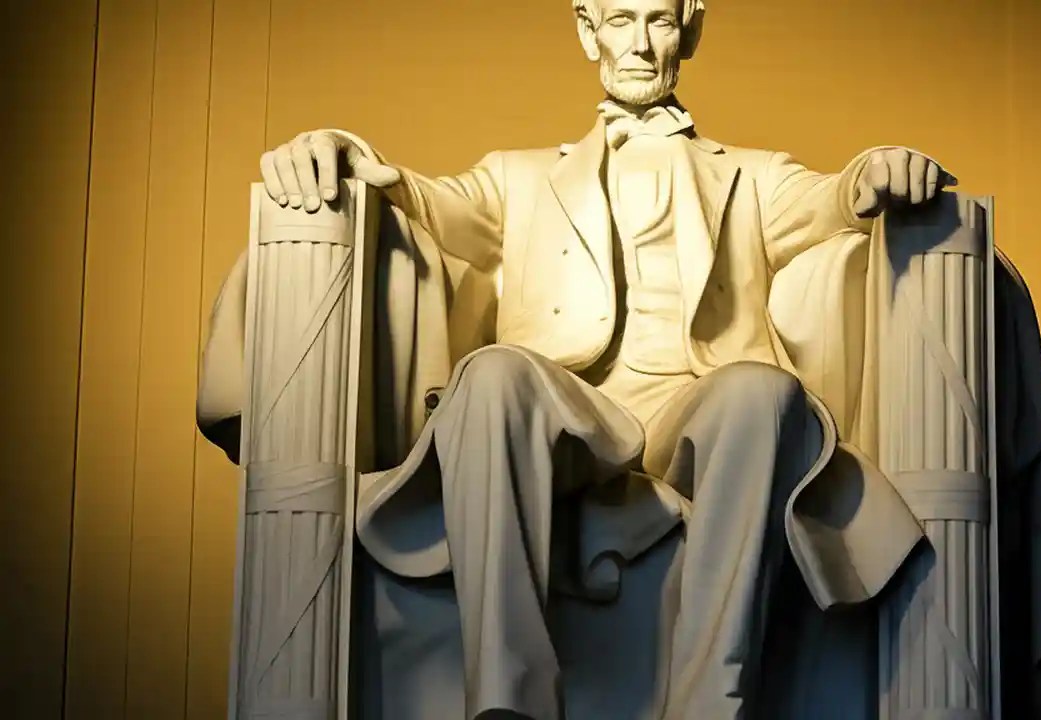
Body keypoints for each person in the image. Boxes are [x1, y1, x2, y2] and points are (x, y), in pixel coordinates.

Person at [253, 1, 953, 717]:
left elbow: (832, 198)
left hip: (698, 406)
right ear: (589, 32)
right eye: (621, 20)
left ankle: (712, 703)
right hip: (570, 410)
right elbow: (417, 195)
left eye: (659, 21)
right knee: (491, 374)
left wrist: (877, 167)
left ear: (690, 31)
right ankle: (509, 702)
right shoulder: (518, 177)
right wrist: (339, 149)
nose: (641, 44)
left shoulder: (754, 176)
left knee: (764, 391)